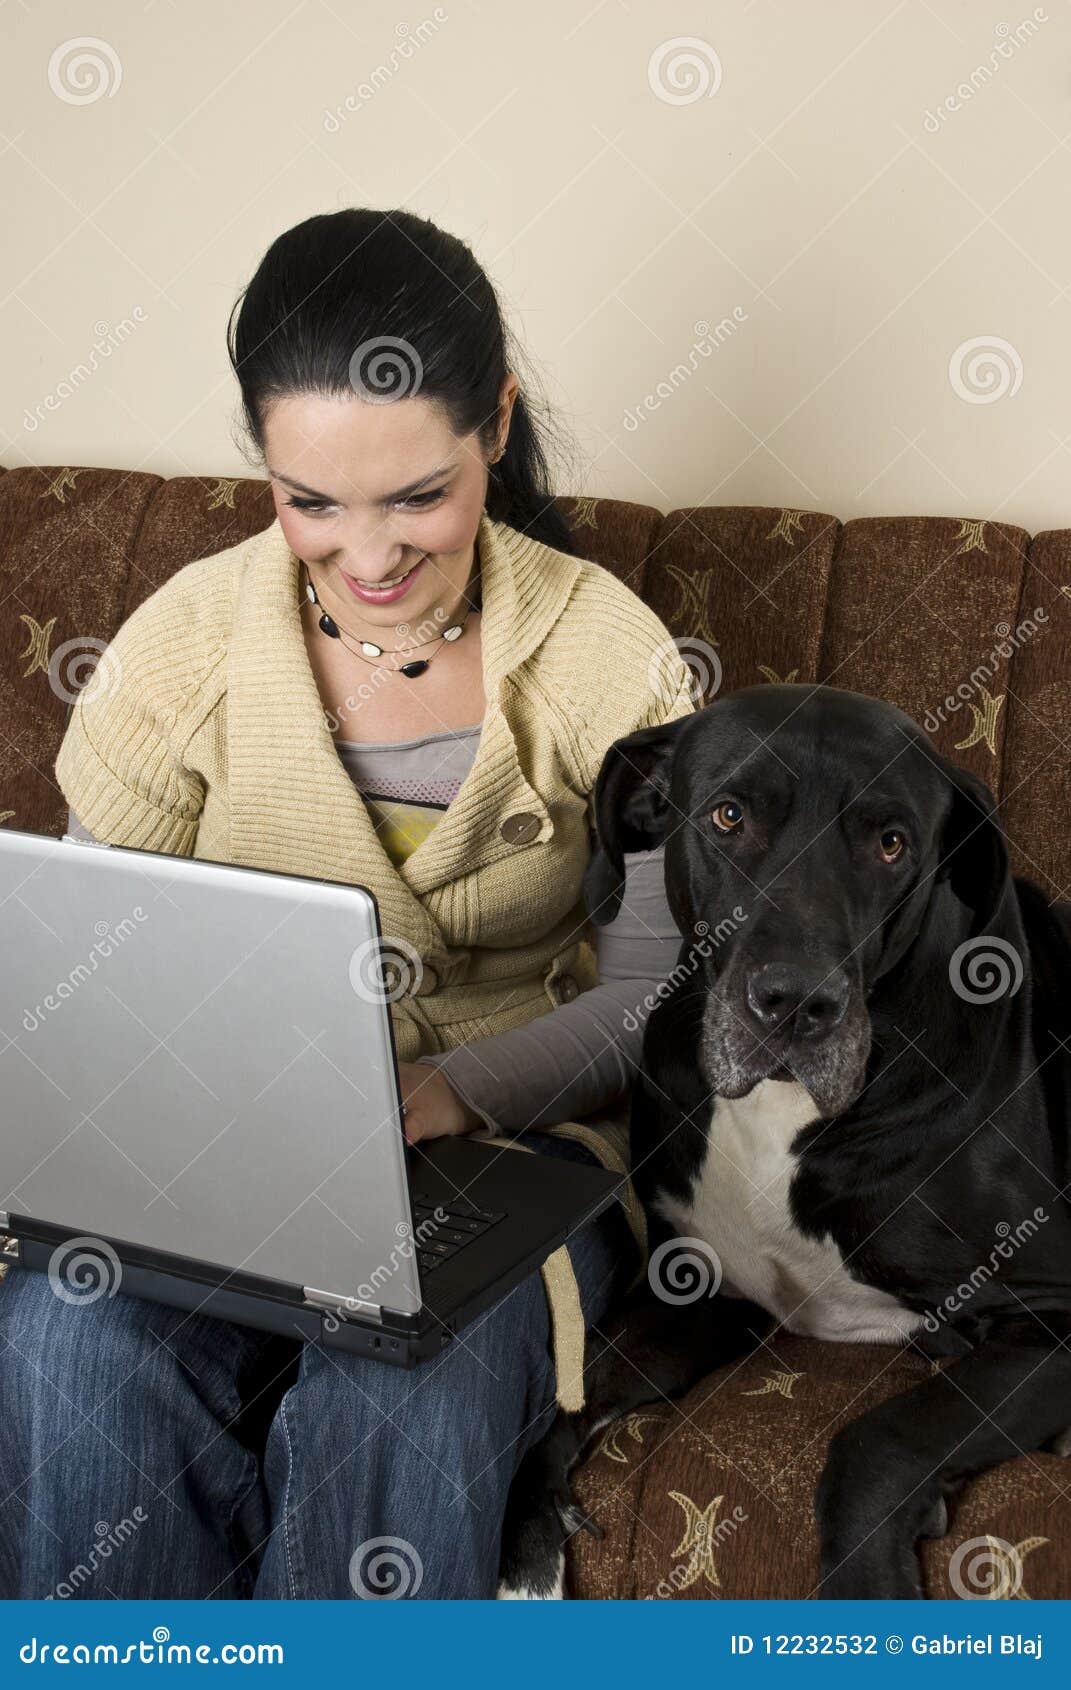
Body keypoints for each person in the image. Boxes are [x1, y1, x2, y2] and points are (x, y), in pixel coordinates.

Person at [0, 208, 698, 1599]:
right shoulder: (184, 645)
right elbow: (74, 976)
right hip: (226, 1159)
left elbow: (654, 999)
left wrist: (445, 1086)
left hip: (522, 1154)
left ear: (495, 423)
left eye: (415, 496)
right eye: (311, 501)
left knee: (402, 1387)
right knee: (61, 1342)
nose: (366, 554)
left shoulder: (606, 654)